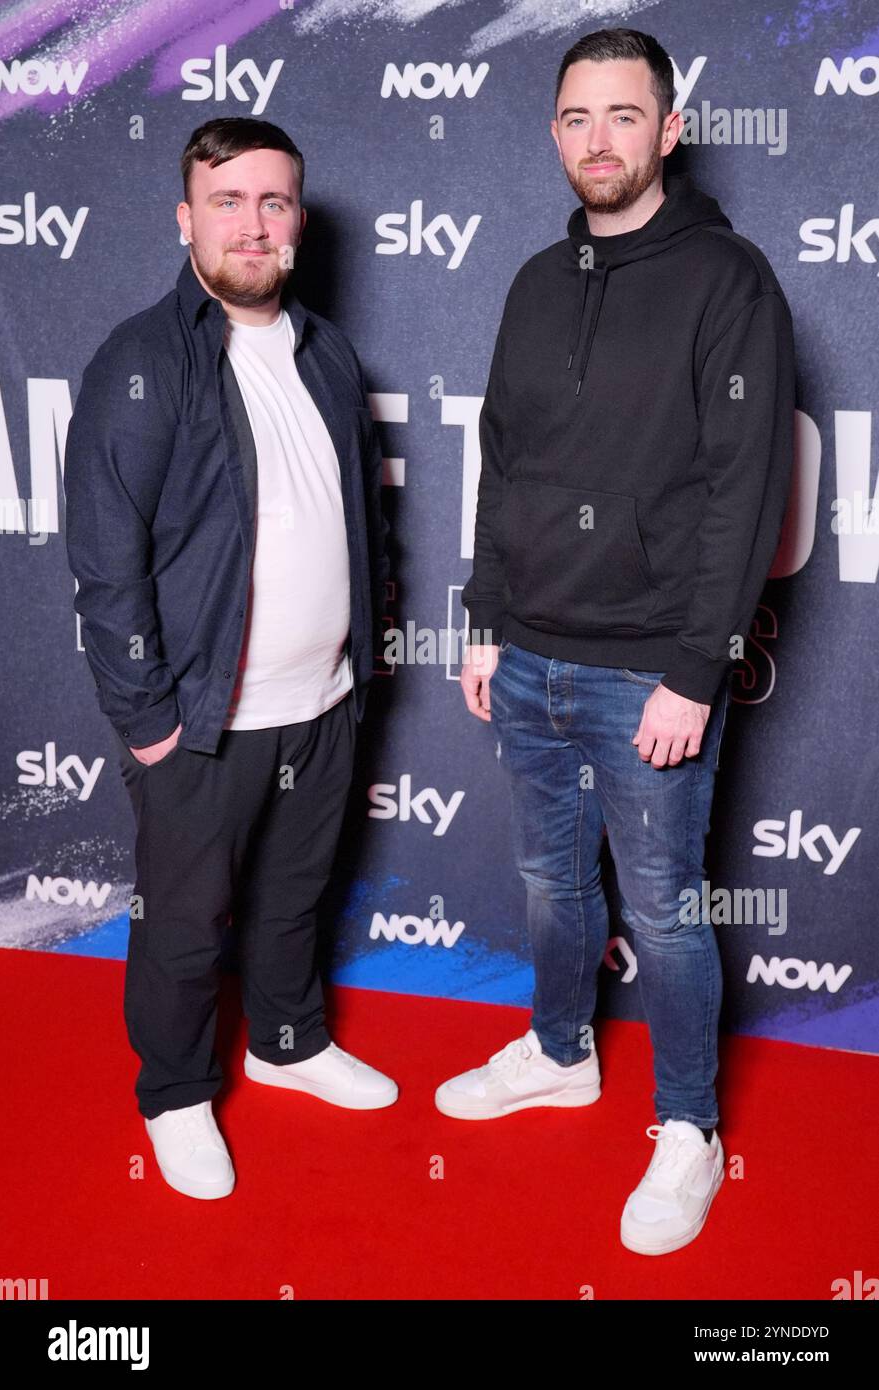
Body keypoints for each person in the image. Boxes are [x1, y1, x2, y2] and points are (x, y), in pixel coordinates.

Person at [446, 28, 795, 1255]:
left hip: (648, 665)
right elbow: (502, 462)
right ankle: (556, 1052)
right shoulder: (536, 282)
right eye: (576, 118)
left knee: (659, 913)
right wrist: (485, 617)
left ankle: (690, 1127)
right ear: (554, 135)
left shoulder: (727, 280)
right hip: (527, 652)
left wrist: (693, 668)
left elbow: (742, 486)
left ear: (668, 128)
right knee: (551, 883)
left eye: (622, 115)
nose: (598, 140)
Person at [63, 117, 394, 1202]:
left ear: (296, 218)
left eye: (272, 202)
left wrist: (363, 662)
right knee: (183, 924)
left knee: (294, 899)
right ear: (184, 217)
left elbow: (356, 522)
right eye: (226, 201)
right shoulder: (140, 361)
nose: (252, 224)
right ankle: (175, 1091)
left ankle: (288, 1041)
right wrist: (149, 719)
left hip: (323, 702)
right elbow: (108, 566)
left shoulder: (327, 350)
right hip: (203, 718)